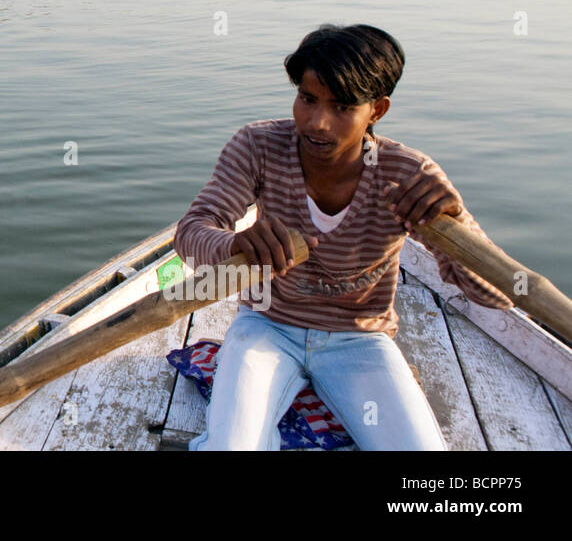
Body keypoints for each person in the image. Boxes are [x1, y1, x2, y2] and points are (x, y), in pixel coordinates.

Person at [174, 24, 513, 451]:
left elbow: (498, 296)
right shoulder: (258, 146)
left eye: (342, 107)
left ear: (378, 110)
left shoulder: (409, 177)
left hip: (360, 337)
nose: (317, 123)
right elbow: (191, 233)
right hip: (266, 326)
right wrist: (233, 246)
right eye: (307, 99)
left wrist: (456, 225)